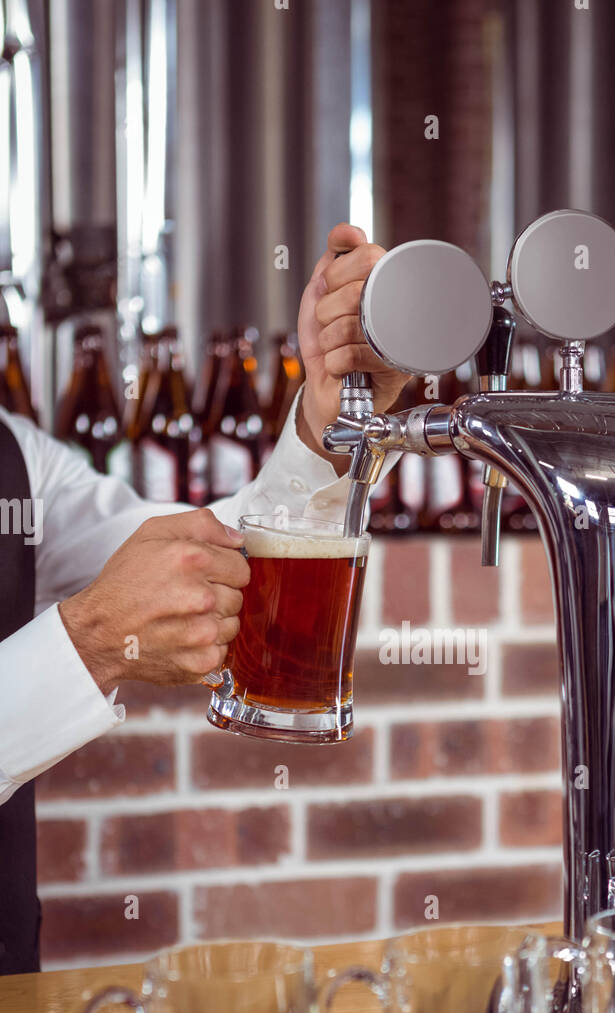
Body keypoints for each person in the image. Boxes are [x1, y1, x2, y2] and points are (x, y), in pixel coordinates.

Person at [0, 223, 409, 974]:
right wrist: (90, 640)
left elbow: (206, 544)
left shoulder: (20, 458)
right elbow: (104, 621)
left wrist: (328, 423)